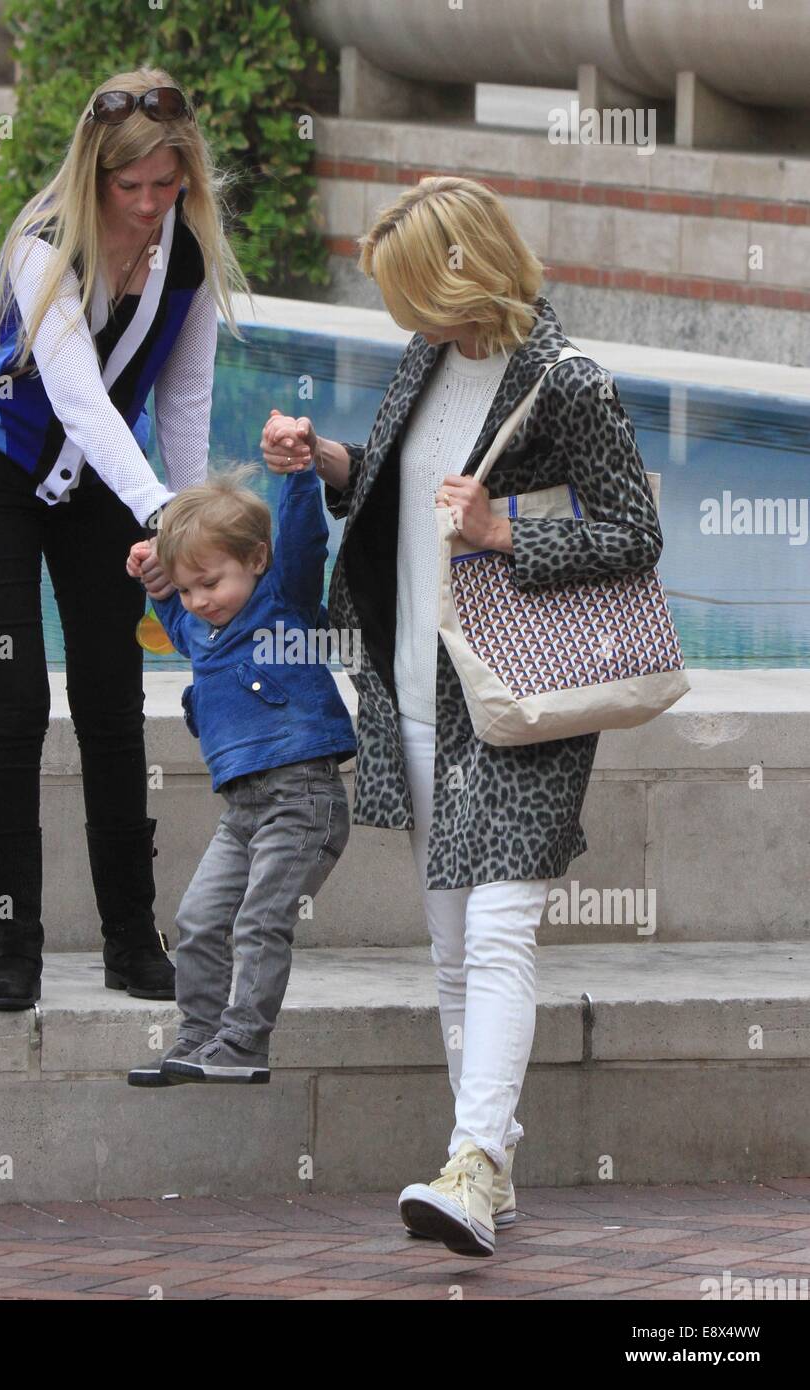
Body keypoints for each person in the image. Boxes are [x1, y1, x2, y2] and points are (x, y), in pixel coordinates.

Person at [261, 176, 662, 1256]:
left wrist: (502, 536)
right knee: (449, 947)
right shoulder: (428, 355)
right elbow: (398, 485)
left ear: (460, 270)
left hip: (520, 692)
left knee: (494, 929)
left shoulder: (565, 381)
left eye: (409, 289)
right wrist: (329, 461)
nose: (401, 316)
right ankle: (478, 1161)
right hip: (412, 687)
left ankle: (476, 1164)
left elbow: (635, 534)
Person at [0, 68, 250, 1010]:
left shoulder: (186, 260)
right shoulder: (44, 247)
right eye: (130, 188)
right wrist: (160, 510)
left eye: (167, 186)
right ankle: (12, 942)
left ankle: (129, 936)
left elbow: (181, 400)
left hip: (97, 482)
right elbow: (76, 396)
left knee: (113, 701)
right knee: (15, 698)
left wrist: (183, 525)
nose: (150, 207)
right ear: (95, 175)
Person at [124, 463, 356, 1085]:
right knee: (198, 921)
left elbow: (306, 541)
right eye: (189, 587)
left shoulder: (285, 604)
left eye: (211, 582)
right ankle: (199, 1038)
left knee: (258, 922)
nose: (201, 600)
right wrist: (156, 578)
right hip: (244, 811)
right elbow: (175, 615)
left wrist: (302, 475)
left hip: (302, 799)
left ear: (256, 560)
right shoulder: (202, 627)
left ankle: (245, 1043)